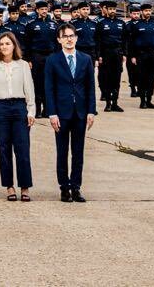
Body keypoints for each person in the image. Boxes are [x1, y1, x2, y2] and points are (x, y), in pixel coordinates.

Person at [44, 23, 96, 202]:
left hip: (81, 113)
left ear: (76, 37)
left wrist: (91, 111)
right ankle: (64, 187)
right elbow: (49, 89)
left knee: (78, 152)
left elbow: (90, 87)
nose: (69, 39)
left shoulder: (86, 59)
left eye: (71, 35)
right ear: (59, 40)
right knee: (62, 151)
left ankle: (76, 187)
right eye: (65, 36)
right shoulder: (52, 60)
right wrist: (51, 113)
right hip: (61, 113)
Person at [0, 31, 34, 201]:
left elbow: (29, 89)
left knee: (22, 149)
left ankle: (25, 186)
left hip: (19, 107)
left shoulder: (22, 65)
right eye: (1, 44)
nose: (4, 46)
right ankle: (9, 186)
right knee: (4, 148)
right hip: (1, 108)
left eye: (8, 43)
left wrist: (31, 111)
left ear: (14, 45)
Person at [95, 0, 127, 112]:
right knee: (107, 79)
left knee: (116, 79)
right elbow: (98, 41)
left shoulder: (121, 23)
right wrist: (99, 55)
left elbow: (125, 40)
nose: (112, 11)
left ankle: (115, 103)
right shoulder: (101, 23)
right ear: (106, 10)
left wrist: (124, 54)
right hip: (106, 54)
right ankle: (108, 103)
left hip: (117, 54)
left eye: (114, 9)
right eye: (110, 9)